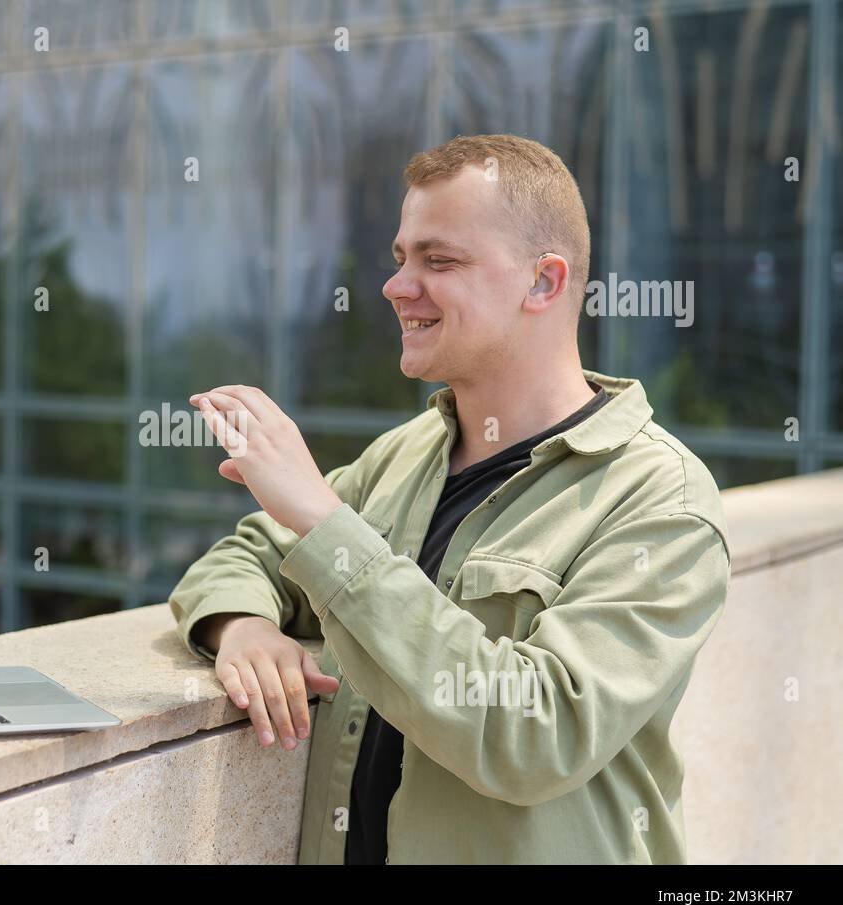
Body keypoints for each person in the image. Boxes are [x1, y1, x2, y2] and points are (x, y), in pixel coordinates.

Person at [167, 133, 731, 864]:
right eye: (401, 259)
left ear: (543, 283)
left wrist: (319, 517)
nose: (398, 286)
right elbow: (248, 554)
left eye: (439, 261)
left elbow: (536, 737)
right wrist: (241, 628)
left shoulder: (661, 503)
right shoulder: (408, 453)